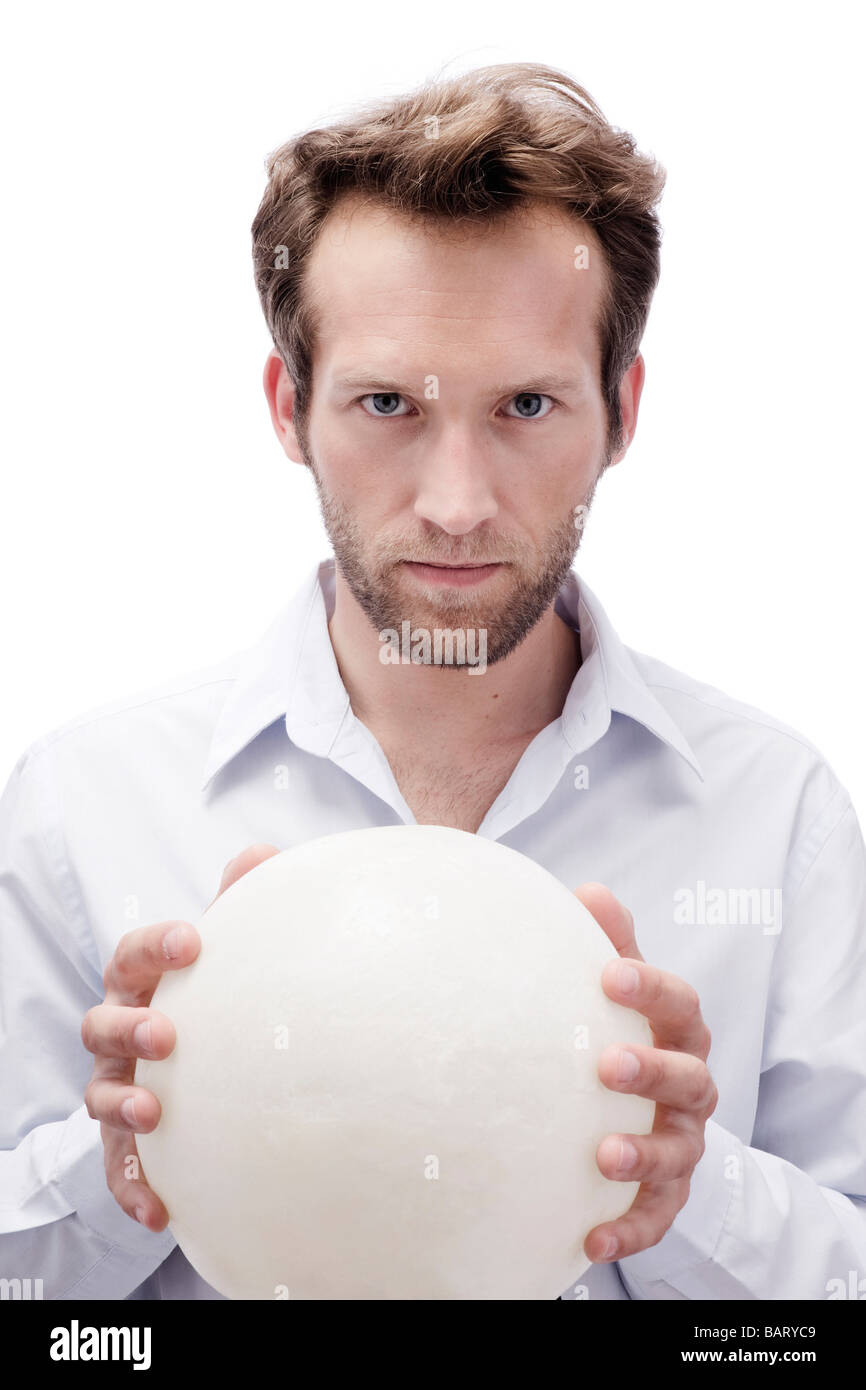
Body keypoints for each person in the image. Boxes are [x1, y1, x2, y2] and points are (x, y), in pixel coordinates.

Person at [1, 61, 864, 1302]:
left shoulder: (773, 812)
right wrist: (124, 1156)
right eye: (386, 403)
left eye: (525, 402)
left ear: (620, 411)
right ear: (288, 407)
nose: (456, 505)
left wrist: (689, 1190)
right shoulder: (82, 802)